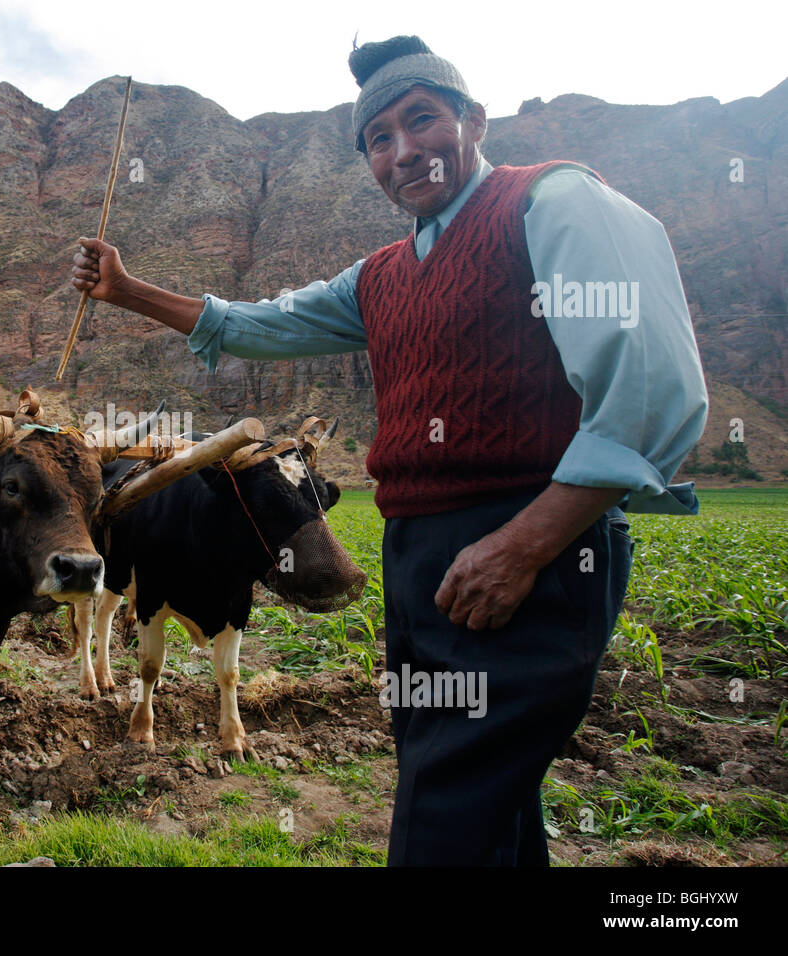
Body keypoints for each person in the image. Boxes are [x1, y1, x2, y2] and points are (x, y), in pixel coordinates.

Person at [69, 35, 708, 866]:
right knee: (478, 798)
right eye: (378, 138)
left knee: (446, 810)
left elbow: (652, 387)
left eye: (422, 120)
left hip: (532, 550)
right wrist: (125, 289)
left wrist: (524, 545)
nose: (403, 150)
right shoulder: (380, 276)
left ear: (473, 120)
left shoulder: (551, 202)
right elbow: (263, 323)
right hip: (421, 558)